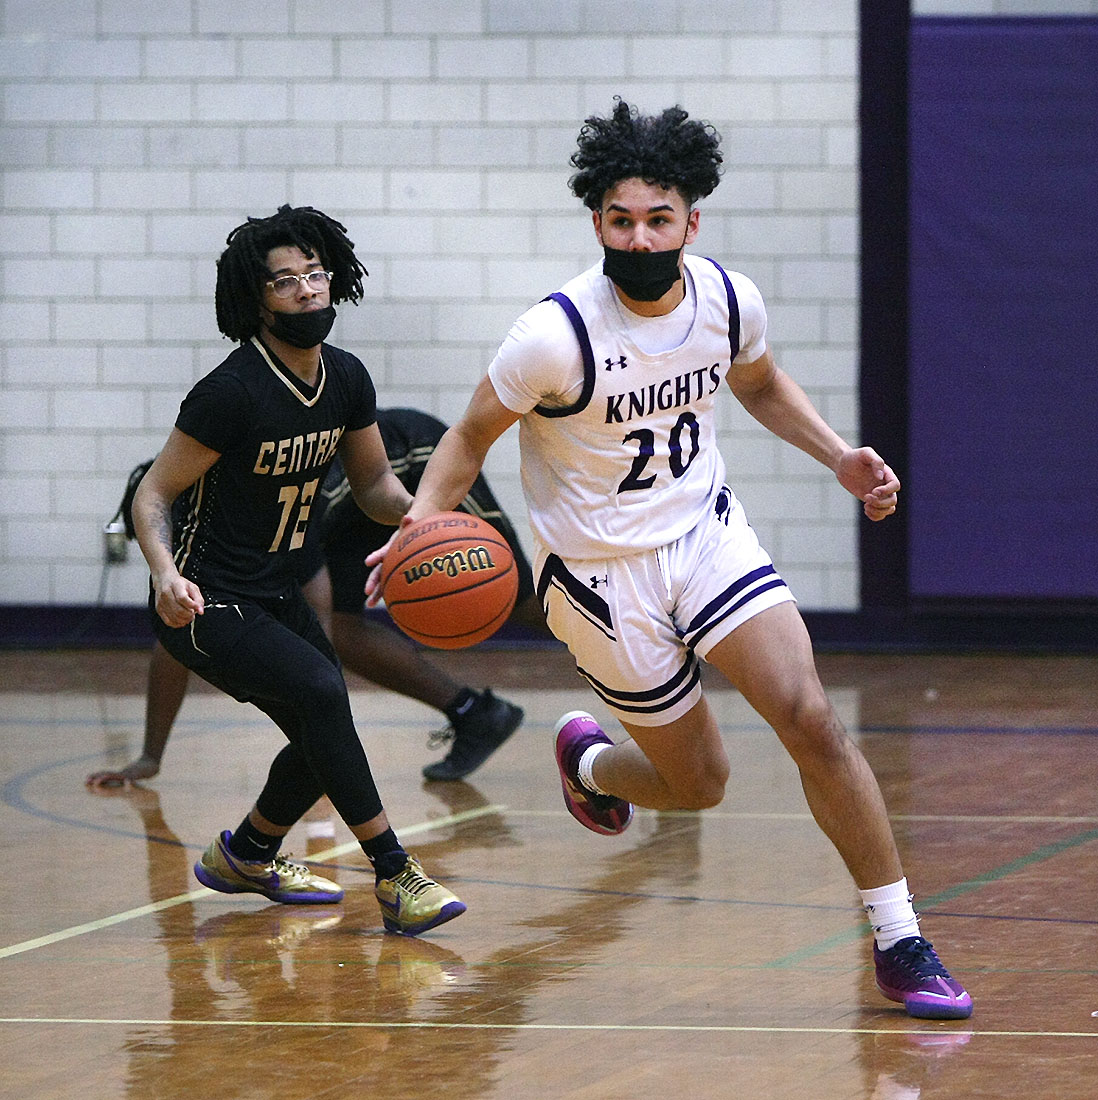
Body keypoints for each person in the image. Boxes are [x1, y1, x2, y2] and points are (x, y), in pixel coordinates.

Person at [365, 101, 974, 1015]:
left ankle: (900, 939)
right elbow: (466, 437)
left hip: (706, 538)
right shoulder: (553, 336)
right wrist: (419, 522)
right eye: (621, 220)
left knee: (810, 719)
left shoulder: (728, 299)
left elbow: (760, 383)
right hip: (601, 581)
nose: (640, 238)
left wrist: (838, 455)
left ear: (694, 220)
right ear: (597, 222)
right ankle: (594, 766)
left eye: (660, 219)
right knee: (701, 786)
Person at [131, 203, 464, 936]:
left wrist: (427, 520)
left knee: (323, 733)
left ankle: (247, 853)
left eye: (315, 274)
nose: (308, 290)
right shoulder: (230, 393)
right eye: (287, 282)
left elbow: (375, 486)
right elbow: (153, 492)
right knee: (321, 693)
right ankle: (395, 874)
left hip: (277, 590)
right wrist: (162, 573)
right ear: (257, 299)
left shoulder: (344, 378)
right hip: (205, 600)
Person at [86, 407, 548, 790]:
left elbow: (316, 631)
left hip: (411, 463)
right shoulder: (202, 531)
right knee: (345, 633)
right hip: (346, 512)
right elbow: (175, 637)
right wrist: (149, 757)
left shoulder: (268, 510)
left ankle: (612, 640)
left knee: (519, 599)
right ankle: (474, 714)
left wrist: (326, 756)